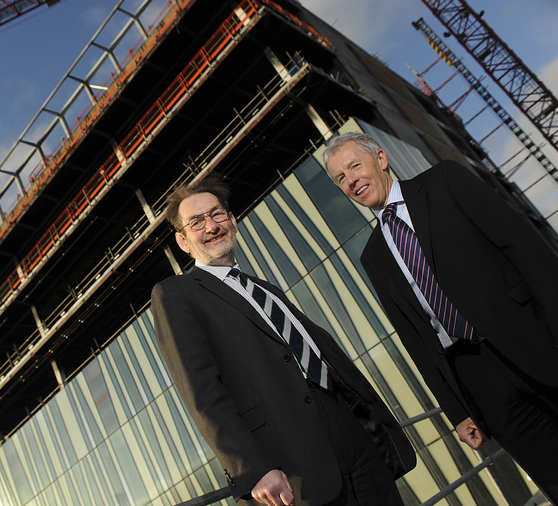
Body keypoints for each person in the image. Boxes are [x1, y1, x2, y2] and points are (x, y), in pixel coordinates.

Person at [323, 131, 558, 505]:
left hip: (545, 346)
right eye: (340, 178)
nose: (351, 180)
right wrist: (457, 410)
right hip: (482, 382)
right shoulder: (373, 255)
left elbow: (525, 247)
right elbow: (415, 338)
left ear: (381, 159)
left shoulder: (445, 181)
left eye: (355, 166)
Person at [151, 177, 416, 506]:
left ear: (233, 221)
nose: (211, 226)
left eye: (217, 215)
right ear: (183, 240)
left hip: (354, 436)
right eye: (197, 221)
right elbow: (202, 394)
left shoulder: (266, 290)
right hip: (294, 465)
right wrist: (253, 468)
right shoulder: (177, 294)